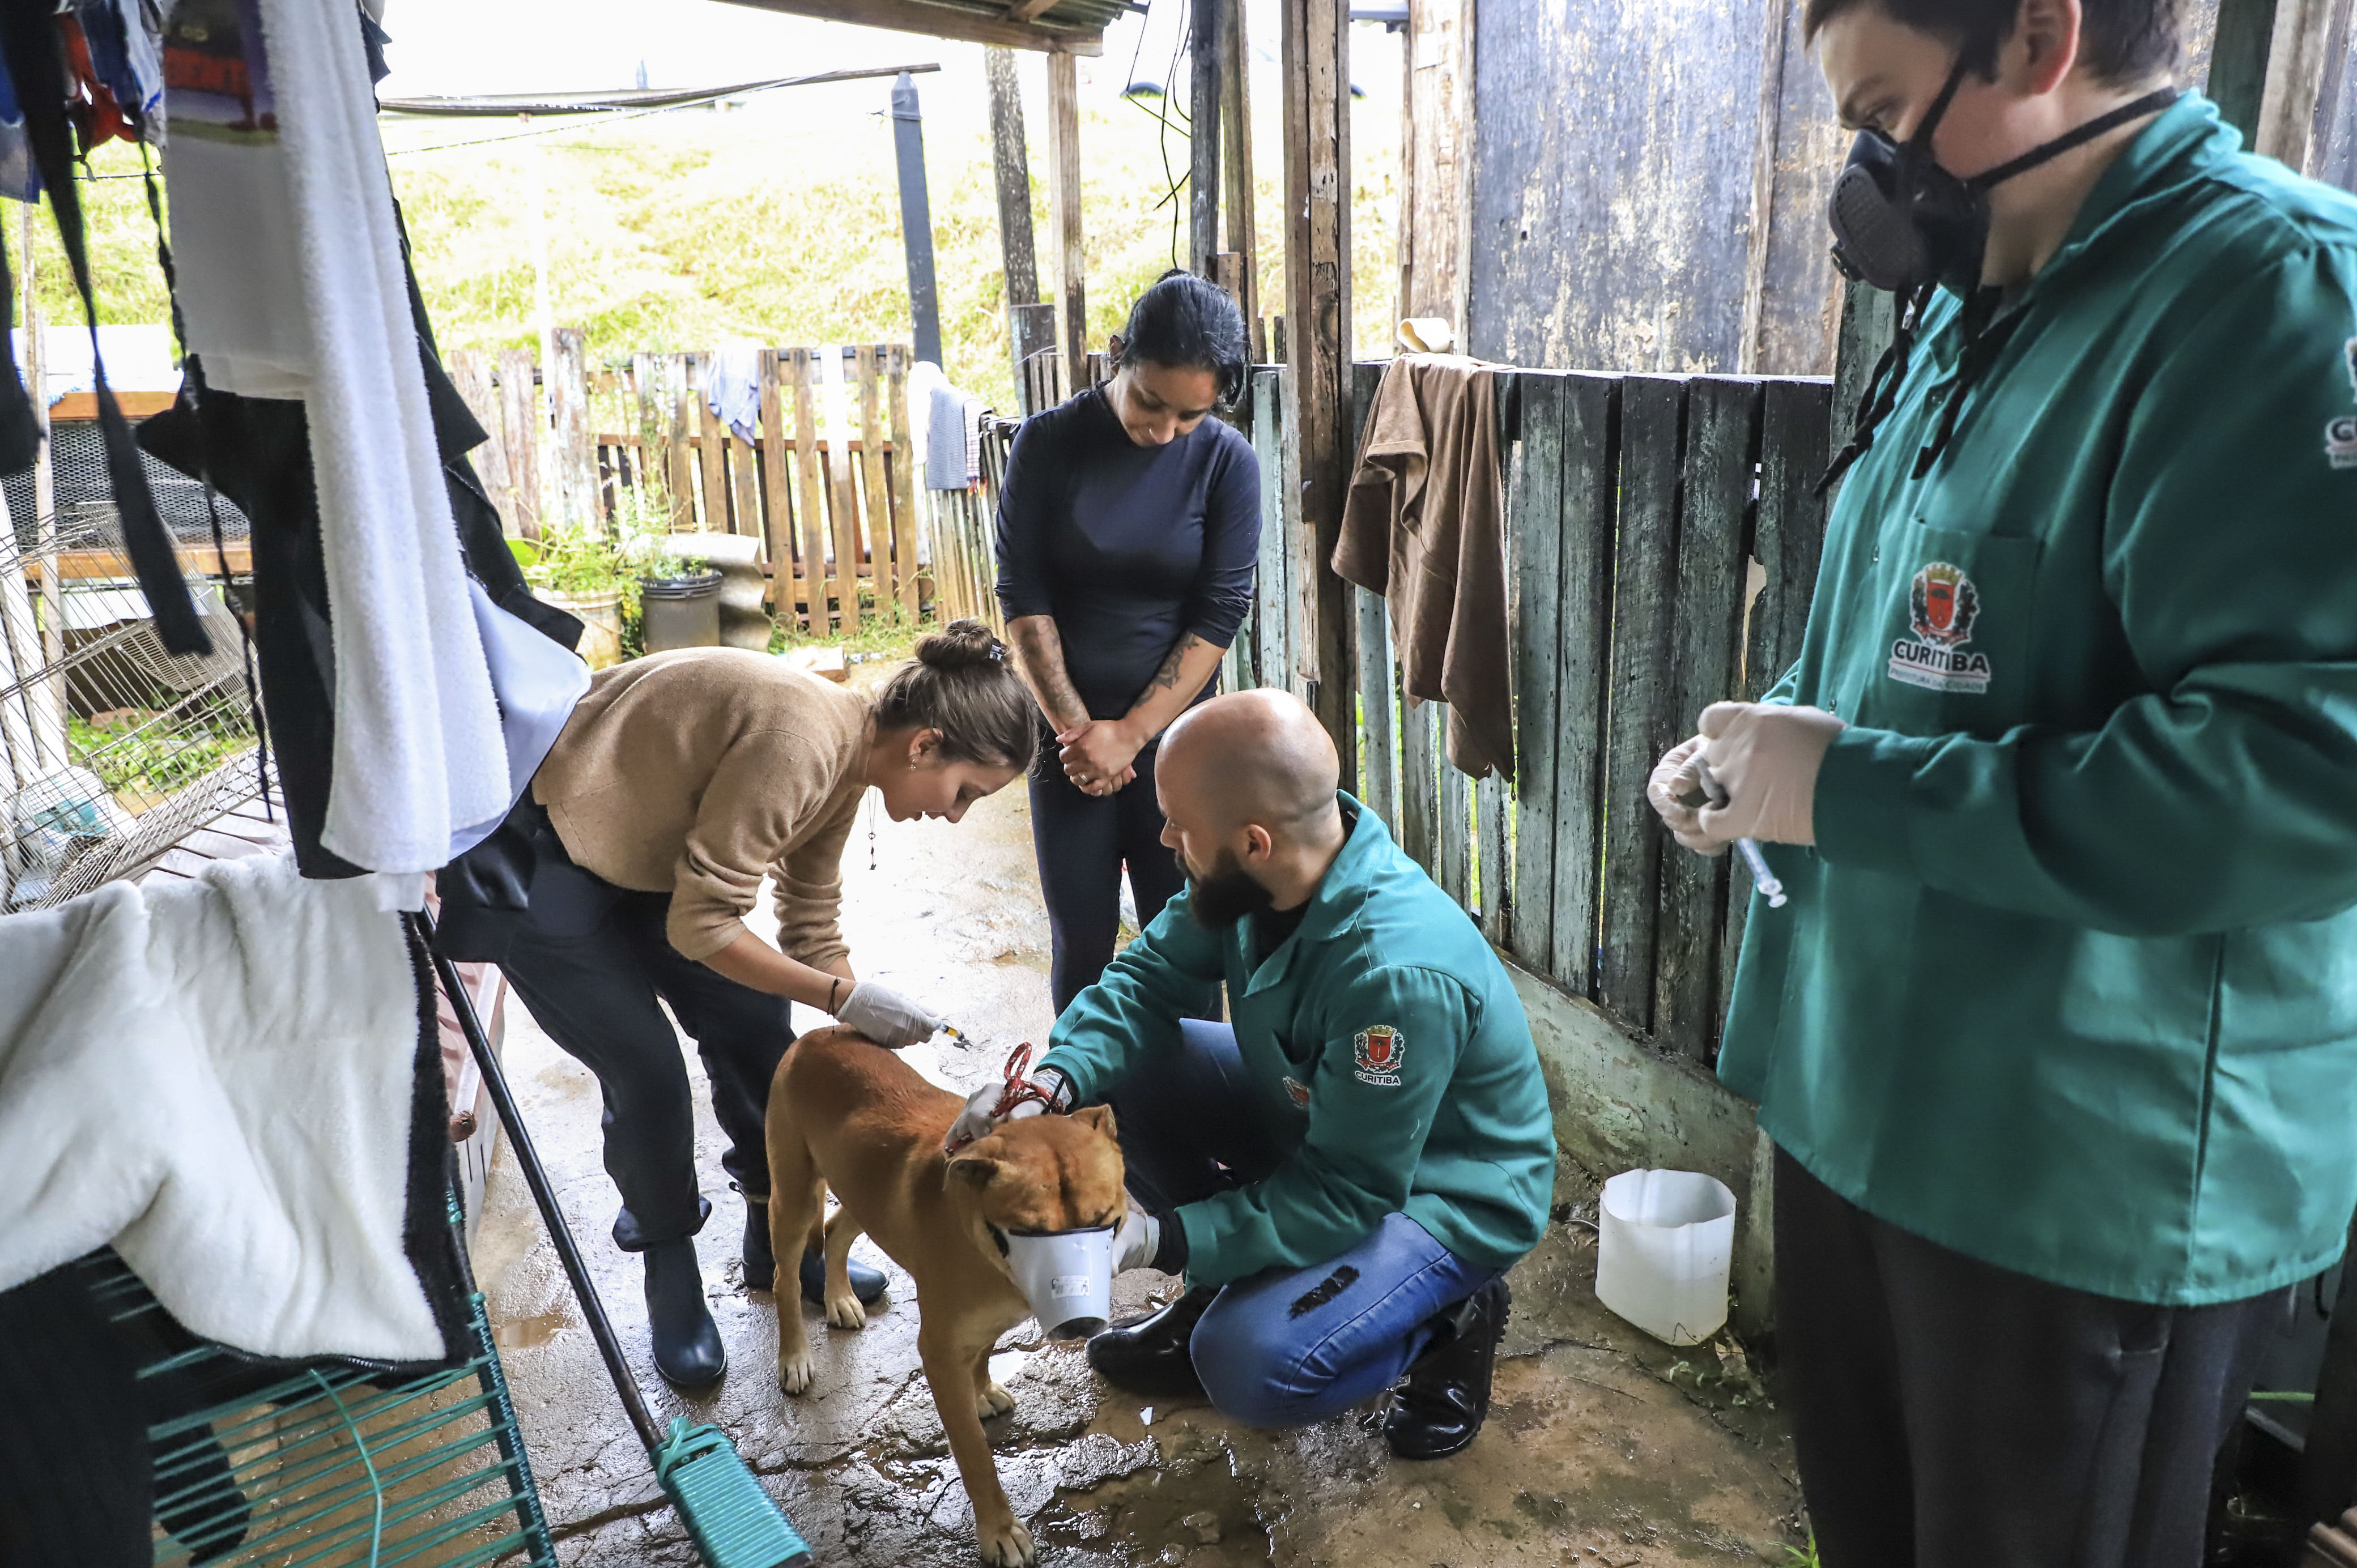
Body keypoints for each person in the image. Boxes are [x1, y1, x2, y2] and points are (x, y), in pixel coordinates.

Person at [1645, 0, 2357, 1554]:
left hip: (2073, 1177)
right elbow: (1911, 673)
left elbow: (2309, 778)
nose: (1873, 166)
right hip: (1862, 1106)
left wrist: (1842, 791)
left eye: (1887, 106)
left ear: (2043, 36)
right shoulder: (1981, 308)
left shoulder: (2271, 298)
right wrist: (1757, 755)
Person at [947, 689, 1556, 1457]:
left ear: (1256, 841)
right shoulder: (1248, 879)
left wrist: (1164, 1239)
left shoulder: (1393, 976)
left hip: (1438, 1191)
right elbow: (1144, 980)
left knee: (1250, 1365)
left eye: (1180, 825)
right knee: (1114, 1072)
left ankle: (1449, 1323)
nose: (1166, 837)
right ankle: (1228, 1278)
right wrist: (1050, 1085)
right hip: (1316, 1117)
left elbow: (1349, 1189)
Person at [440, 621, 1035, 1388]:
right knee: (646, 1067)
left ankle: (775, 1233)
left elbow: (810, 921)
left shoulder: (853, 762)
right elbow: (701, 925)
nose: (955, 815)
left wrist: (857, 1006)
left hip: (650, 855)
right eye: (965, 794)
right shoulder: (800, 739)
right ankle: (668, 1265)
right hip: (542, 848)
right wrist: (838, 993)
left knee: (757, 1025)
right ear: (924, 746)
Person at [995, 270, 1261, 1015]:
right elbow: (1023, 595)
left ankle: (1189, 1123)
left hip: (1179, 746)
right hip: (1067, 742)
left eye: (1189, 415)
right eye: (1150, 401)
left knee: (1184, 938)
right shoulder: (1048, 444)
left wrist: (1136, 735)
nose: (1163, 431)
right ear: (1119, 355)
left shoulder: (1226, 464)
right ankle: (1078, 1117)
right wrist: (1080, 733)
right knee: (1081, 940)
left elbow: (1219, 613)